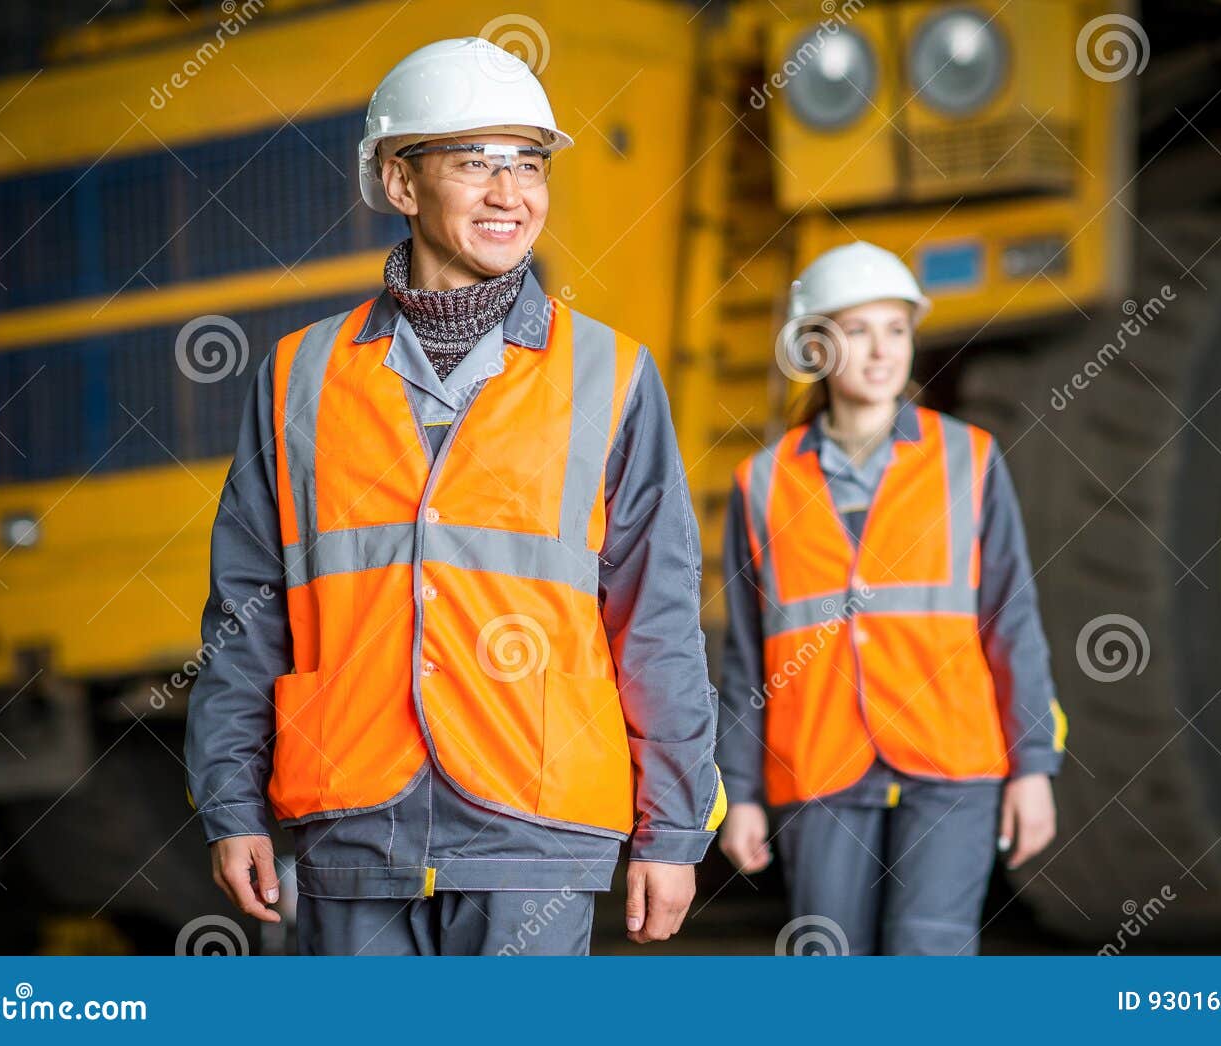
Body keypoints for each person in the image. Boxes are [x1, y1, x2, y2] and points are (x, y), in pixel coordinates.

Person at [184, 37, 724, 956]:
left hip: (535, 821)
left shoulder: (611, 373)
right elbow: (246, 612)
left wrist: (672, 829)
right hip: (353, 815)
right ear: (400, 182)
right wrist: (230, 803)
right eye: (476, 163)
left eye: (529, 164)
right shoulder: (297, 377)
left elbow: (657, 615)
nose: (510, 193)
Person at [715, 241, 1065, 955]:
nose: (882, 351)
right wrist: (739, 793)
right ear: (814, 347)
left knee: (928, 959)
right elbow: (745, 657)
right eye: (858, 330)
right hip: (820, 761)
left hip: (952, 758)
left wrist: (1034, 766)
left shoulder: (968, 458)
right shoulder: (762, 483)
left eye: (897, 330)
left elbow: (1012, 621)